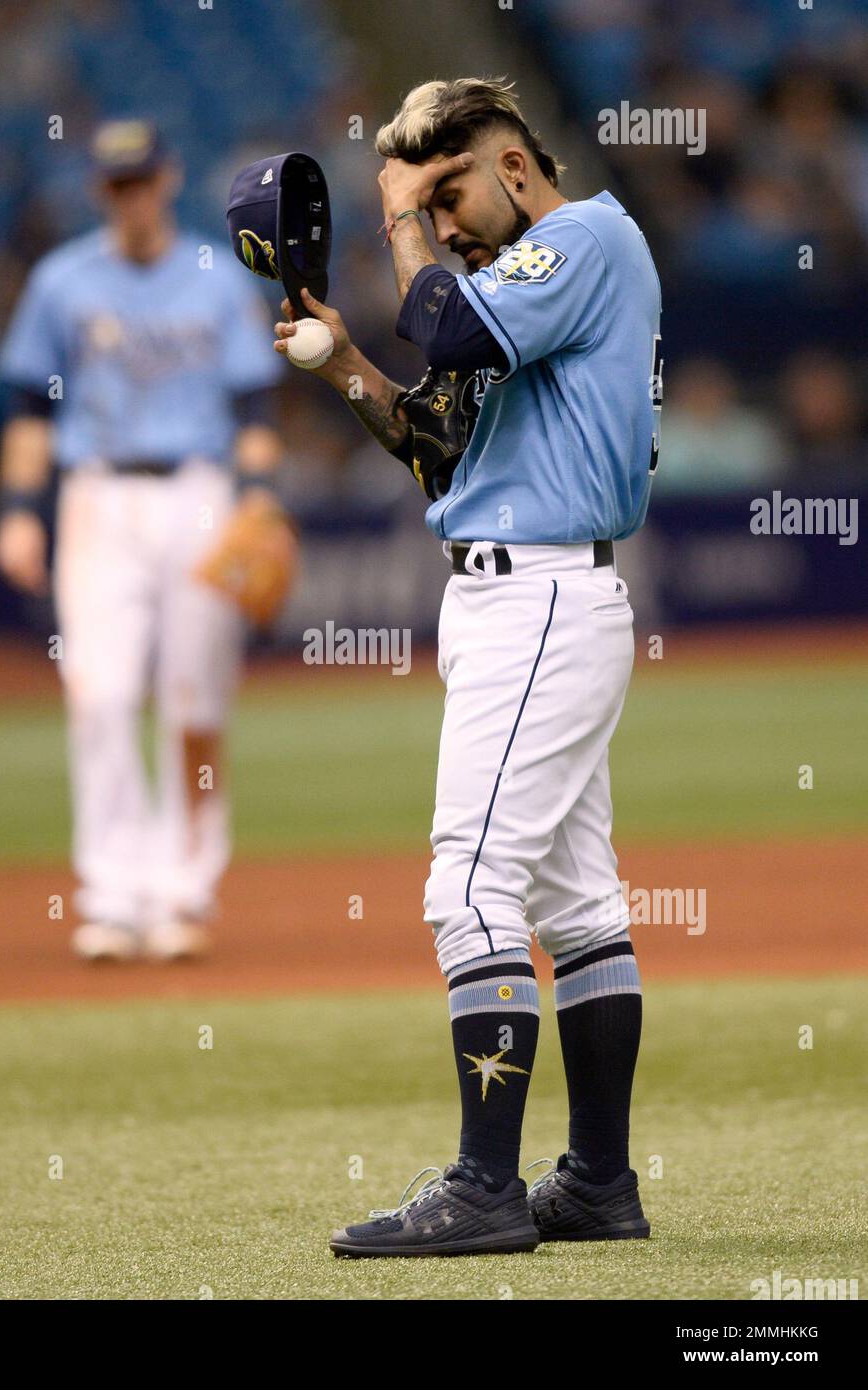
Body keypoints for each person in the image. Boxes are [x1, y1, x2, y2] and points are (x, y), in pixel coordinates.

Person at [273, 78, 661, 1257]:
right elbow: (436, 448)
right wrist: (341, 358)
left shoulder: (584, 236)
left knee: (468, 885)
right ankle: (595, 1182)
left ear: (511, 161)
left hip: (538, 594)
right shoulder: (510, 289)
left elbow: (440, 324)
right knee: (574, 899)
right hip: (520, 587)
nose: (437, 223)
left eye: (447, 192)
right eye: (422, 204)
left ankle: (483, 1189)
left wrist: (390, 217)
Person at [0, 119, 287, 962]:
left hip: (199, 491)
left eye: (142, 179)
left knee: (195, 700)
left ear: (168, 178)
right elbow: (28, 410)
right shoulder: (61, 281)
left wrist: (258, 499)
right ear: (100, 191)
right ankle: (114, 895)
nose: (132, 195)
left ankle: (183, 892)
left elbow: (255, 407)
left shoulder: (216, 277)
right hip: (98, 496)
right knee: (102, 693)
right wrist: (19, 508)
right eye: (117, 183)